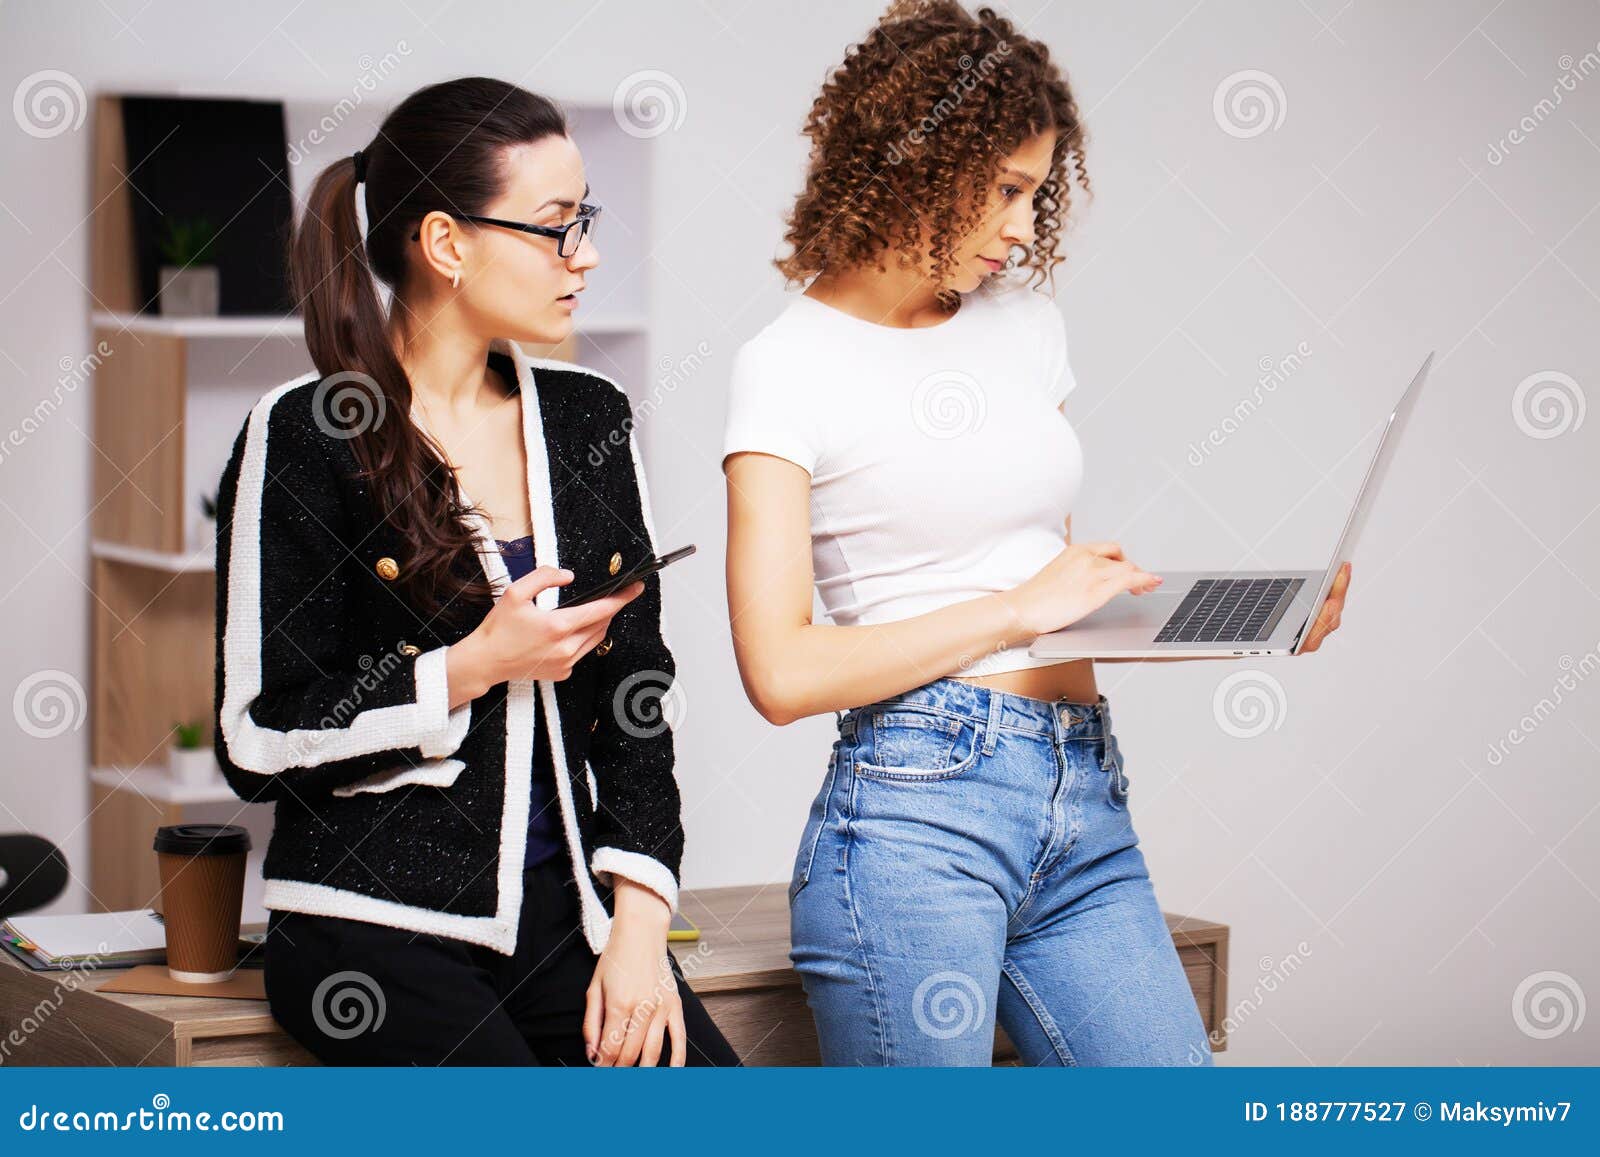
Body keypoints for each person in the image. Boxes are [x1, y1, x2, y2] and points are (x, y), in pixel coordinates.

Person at [721, 0, 1350, 1066]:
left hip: (1081, 791)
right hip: (915, 818)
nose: (1023, 226)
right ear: (915, 159)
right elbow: (780, 670)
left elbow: (1054, 592)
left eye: (1035, 191)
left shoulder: (1026, 329)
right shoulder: (787, 365)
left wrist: (1241, 618)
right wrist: (1017, 608)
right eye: (1005, 188)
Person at [214, 76, 737, 1067]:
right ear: (446, 243)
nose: (582, 255)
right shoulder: (306, 430)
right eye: (553, 227)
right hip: (361, 925)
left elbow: (637, 692)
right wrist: (471, 664)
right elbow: (257, 732)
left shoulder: (588, 414)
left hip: (561, 913)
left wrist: (636, 925)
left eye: (583, 220)